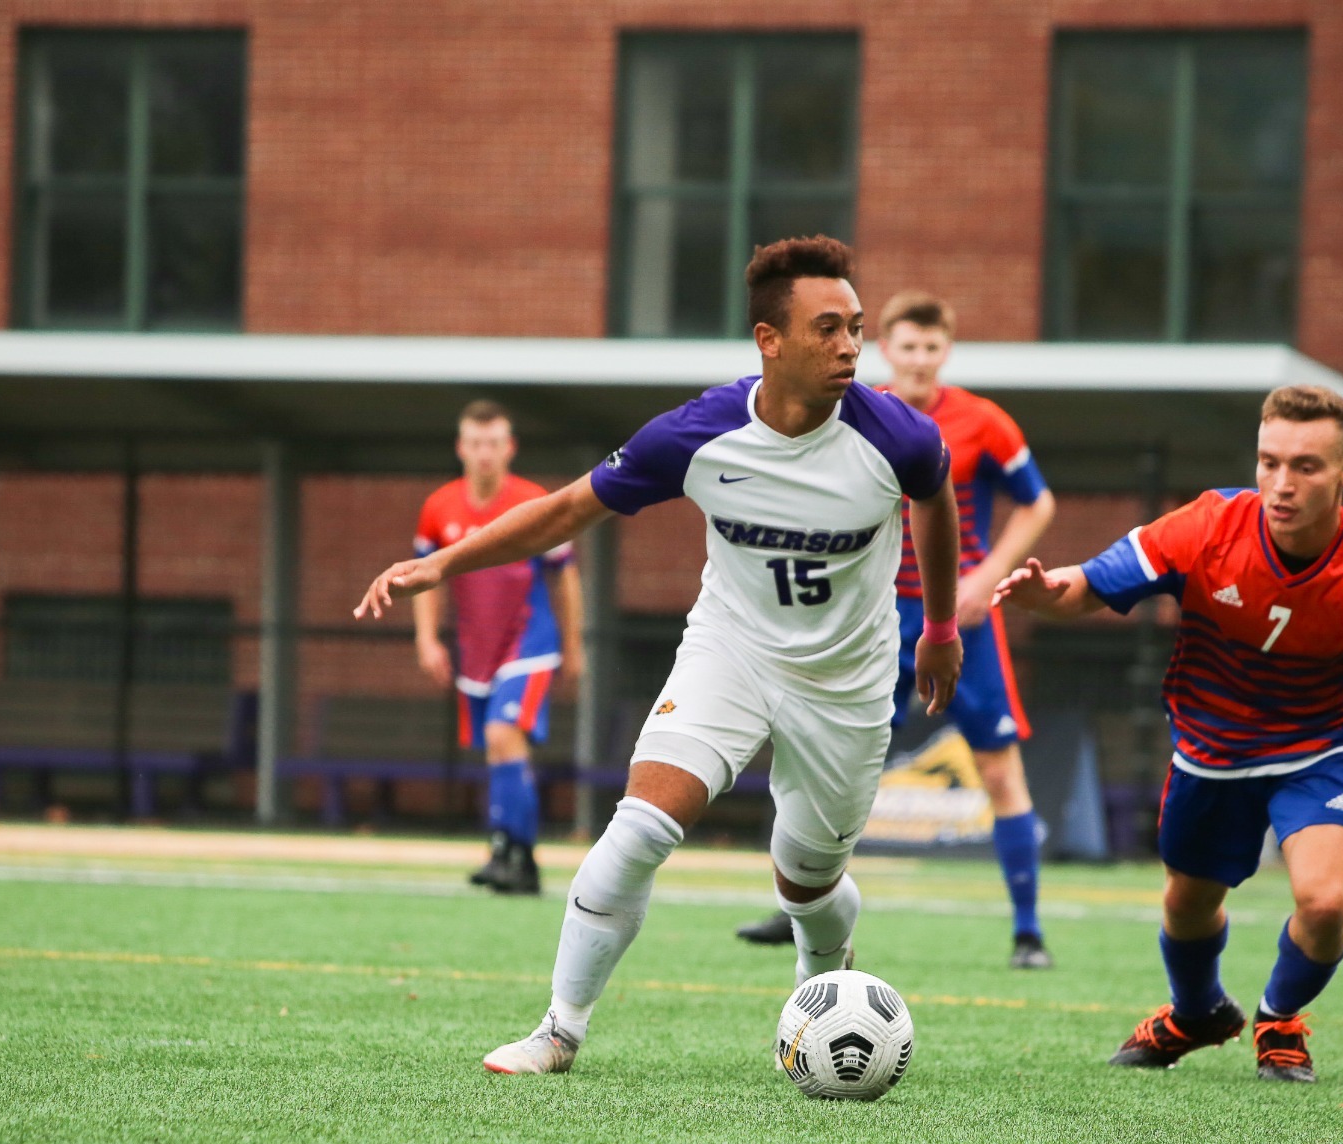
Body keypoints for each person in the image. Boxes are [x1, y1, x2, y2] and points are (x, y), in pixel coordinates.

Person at [356, 236, 962, 1074]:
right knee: (636, 831)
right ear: (769, 340)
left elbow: (936, 499)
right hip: (732, 653)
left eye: (857, 327)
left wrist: (938, 627)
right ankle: (560, 1030)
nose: (852, 346)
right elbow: (569, 510)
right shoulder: (700, 433)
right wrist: (443, 562)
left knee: (806, 881)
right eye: (829, 328)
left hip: (847, 678)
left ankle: (822, 985)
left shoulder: (898, 434)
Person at [993, 385, 1343, 1084]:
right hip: (1212, 746)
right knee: (1187, 901)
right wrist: (1044, 593)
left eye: (1306, 466)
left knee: (1326, 903)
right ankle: (1197, 1010)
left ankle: (1279, 1017)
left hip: (1322, 747)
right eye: (1270, 462)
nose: (1282, 482)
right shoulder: (1208, 525)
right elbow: (1087, 583)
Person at [733, 290, 1058, 968]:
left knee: (998, 769)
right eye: (906, 346)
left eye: (931, 347)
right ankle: (799, 904)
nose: (918, 359)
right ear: (885, 348)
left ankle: (1028, 931)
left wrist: (985, 576)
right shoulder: (857, 412)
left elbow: (1039, 503)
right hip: (872, 617)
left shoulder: (985, 422)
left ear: (946, 350)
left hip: (959, 619)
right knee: (824, 759)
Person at [411, 401, 584, 897]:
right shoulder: (439, 507)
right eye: (475, 443)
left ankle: (513, 851)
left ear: (509, 449)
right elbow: (428, 578)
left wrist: (574, 645)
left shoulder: (533, 502)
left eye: (494, 443)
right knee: (497, 748)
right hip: (476, 649)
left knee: (504, 732)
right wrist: (426, 639)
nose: (484, 453)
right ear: (460, 448)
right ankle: (514, 859)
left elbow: (566, 574)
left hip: (531, 641)